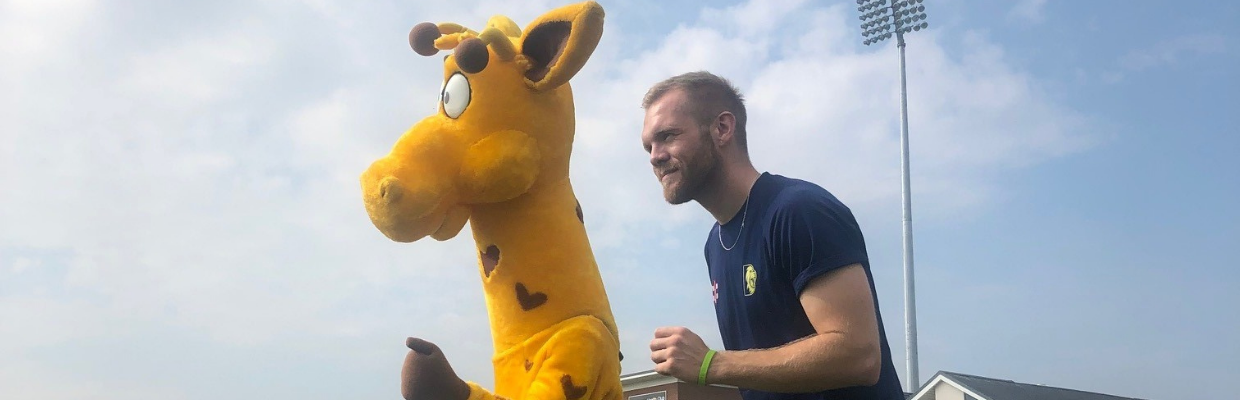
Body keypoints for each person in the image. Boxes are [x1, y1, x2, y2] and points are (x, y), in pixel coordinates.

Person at [639, 71, 905, 400]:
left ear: (722, 128)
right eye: (648, 146)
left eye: (667, 136)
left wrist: (712, 364)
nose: (654, 156)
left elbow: (859, 355)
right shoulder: (715, 244)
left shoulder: (798, 211)